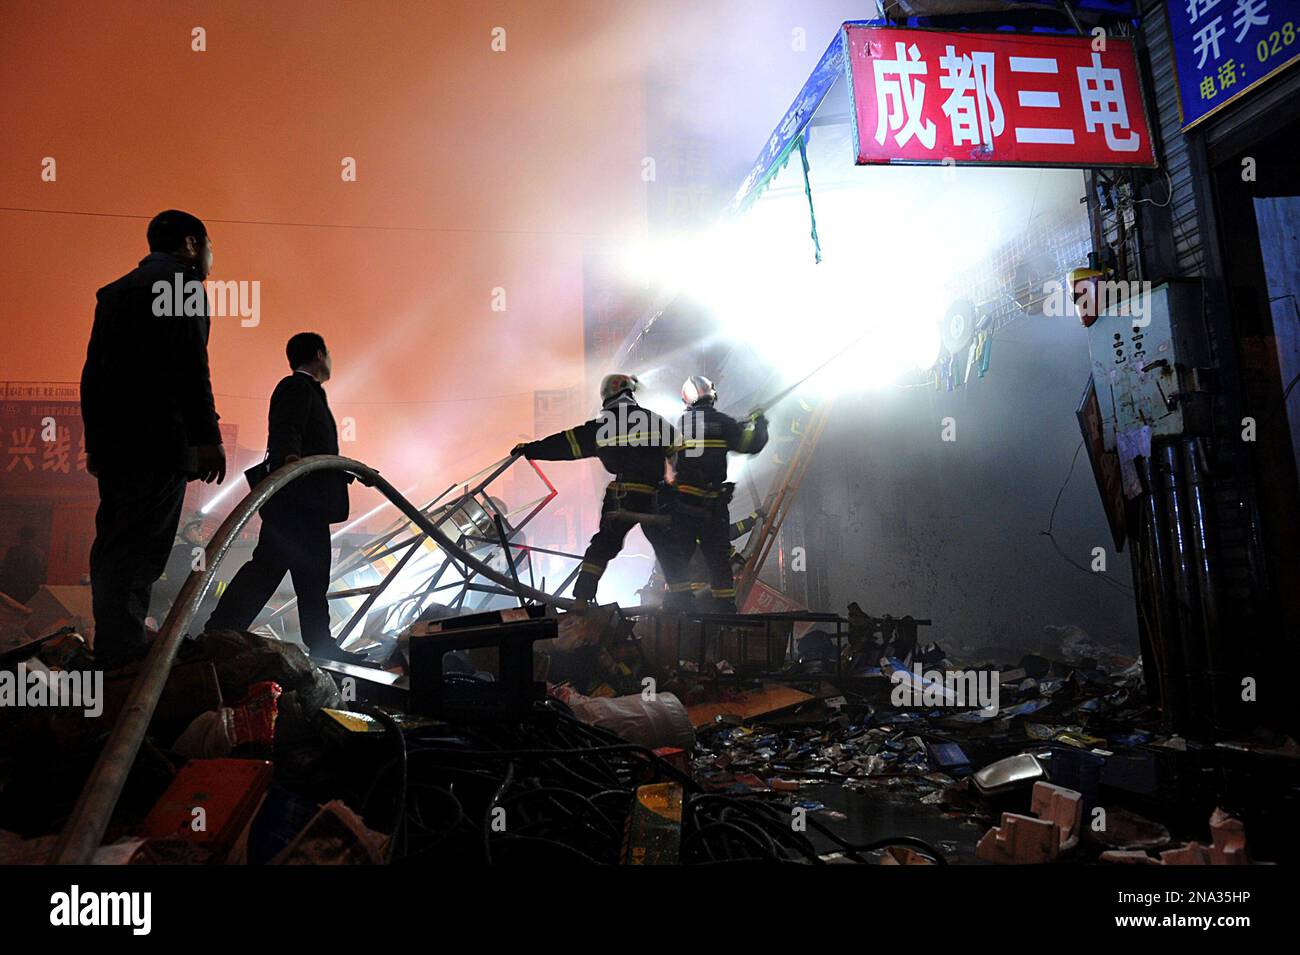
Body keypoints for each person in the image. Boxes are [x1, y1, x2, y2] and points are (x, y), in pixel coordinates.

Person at [81, 210, 225, 669]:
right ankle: (124, 650)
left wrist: (96, 444)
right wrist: (207, 438)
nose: (209, 257)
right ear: (189, 244)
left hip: (117, 447)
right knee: (143, 549)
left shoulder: (116, 293)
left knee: (114, 543)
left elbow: (94, 379)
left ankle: (113, 641)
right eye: (208, 246)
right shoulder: (184, 287)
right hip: (161, 444)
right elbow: (190, 371)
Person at [206, 333, 365, 663]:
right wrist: (290, 462)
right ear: (319, 354)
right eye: (329, 352)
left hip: (304, 503)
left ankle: (223, 632)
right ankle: (220, 633)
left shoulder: (309, 391)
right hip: (298, 503)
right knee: (279, 570)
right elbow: (285, 430)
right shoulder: (295, 387)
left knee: (300, 572)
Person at [512, 373, 688, 607]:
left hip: (622, 494)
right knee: (667, 548)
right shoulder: (655, 420)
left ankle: (582, 600)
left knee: (604, 545)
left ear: (606, 395)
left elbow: (564, 445)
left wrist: (530, 449)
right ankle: (683, 602)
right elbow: (681, 454)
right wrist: (678, 485)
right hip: (655, 496)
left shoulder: (602, 426)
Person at [667, 375, 769, 613]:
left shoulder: (677, 423)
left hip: (682, 504)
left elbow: (669, 459)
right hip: (712, 505)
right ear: (712, 396)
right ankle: (724, 607)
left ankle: (675, 604)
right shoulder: (723, 423)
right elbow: (751, 445)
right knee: (718, 559)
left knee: (679, 555)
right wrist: (758, 422)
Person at [0, 526, 47, 604]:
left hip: (13, 588)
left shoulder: (13, 551)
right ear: (33, 537)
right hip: (31, 589)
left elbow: (6, 570)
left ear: (20, 536)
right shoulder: (40, 554)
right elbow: (43, 574)